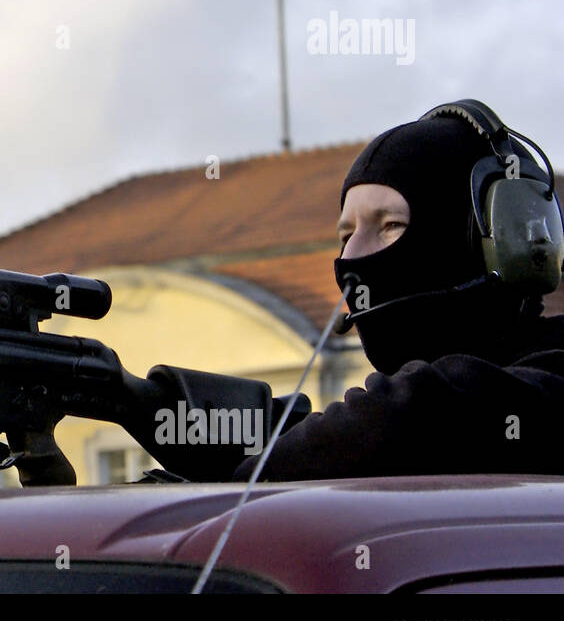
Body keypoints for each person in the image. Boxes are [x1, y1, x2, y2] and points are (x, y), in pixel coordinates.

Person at [232, 100, 564, 481]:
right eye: (346, 234)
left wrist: (234, 482)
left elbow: (422, 411)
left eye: (389, 225)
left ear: (491, 243)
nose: (350, 257)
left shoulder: (547, 385)